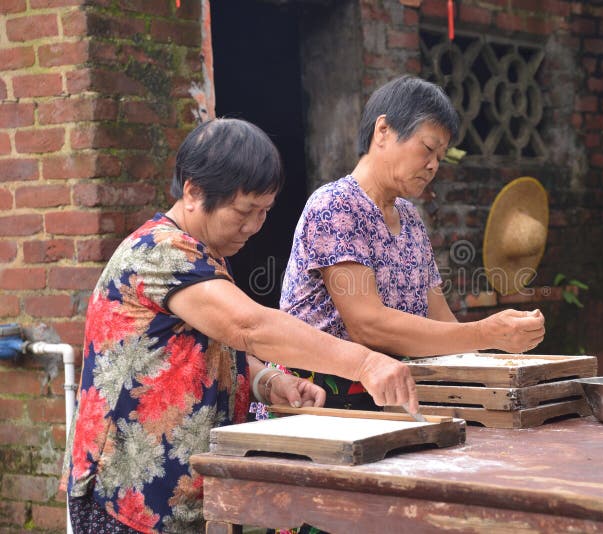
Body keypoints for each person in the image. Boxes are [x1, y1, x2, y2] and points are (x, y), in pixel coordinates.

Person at [61, 118, 419, 533]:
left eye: (264, 212)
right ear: (194, 192)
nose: (253, 227)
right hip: (128, 492)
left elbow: (205, 348)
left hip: (179, 494)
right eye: (244, 211)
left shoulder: (203, 253)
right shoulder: (160, 252)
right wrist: (366, 364)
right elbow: (247, 326)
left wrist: (267, 380)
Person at [281, 76, 546, 410]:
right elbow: (368, 326)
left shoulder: (409, 216)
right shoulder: (336, 205)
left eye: (440, 155)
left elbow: (441, 320)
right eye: (427, 148)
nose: (434, 164)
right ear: (383, 131)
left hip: (391, 399)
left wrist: (493, 372)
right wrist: (487, 332)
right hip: (319, 401)